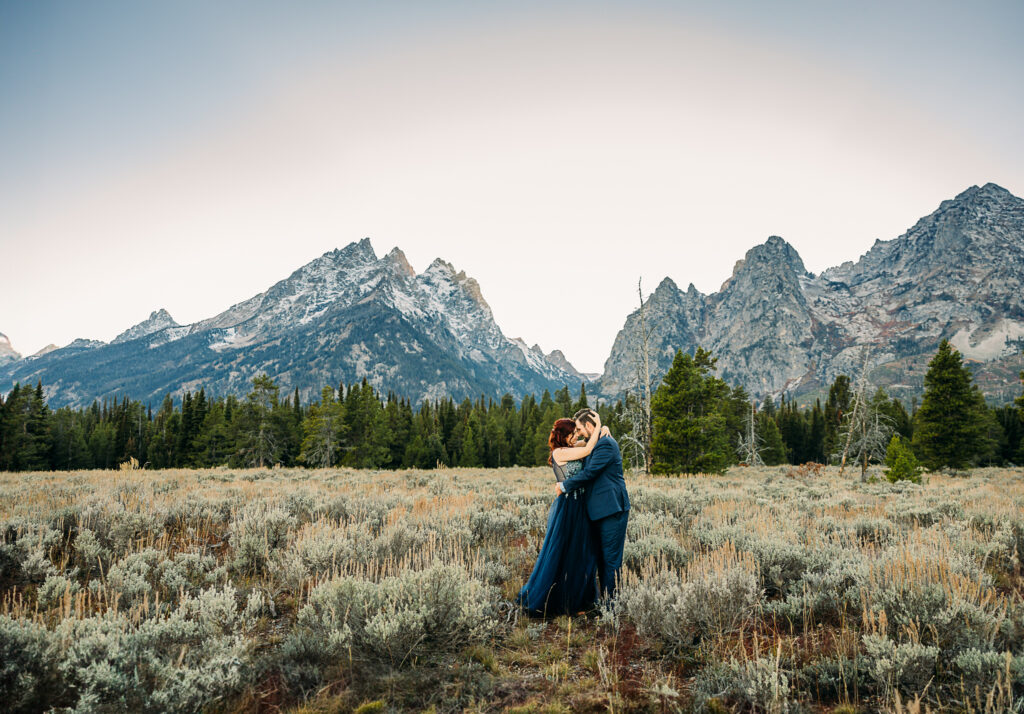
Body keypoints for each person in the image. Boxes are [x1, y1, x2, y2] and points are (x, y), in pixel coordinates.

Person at [516, 413, 610, 616]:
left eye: (576, 432)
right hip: (569, 507)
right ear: (564, 435)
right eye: (573, 433)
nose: (576, 436)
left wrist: (603, 430)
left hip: (581, 506)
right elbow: (588, 449)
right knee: (565, 552)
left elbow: (590, 441)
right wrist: (598, 424)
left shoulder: (570, 448)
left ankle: (579, 600)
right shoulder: (559, 453)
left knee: (582, 552)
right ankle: (559, 601)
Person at [556, 408, 630, 601]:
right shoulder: (595, 441)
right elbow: (574, 448)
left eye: (580, 429)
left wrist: (564, 486)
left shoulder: (605, 444)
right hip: (597, 510)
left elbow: (590, 473)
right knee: (600, 558)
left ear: (589, 425)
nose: (578, 433)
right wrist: (601, 427)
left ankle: (611, 606)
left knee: (611, 560)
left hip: (612, 509)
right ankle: (603, 601)